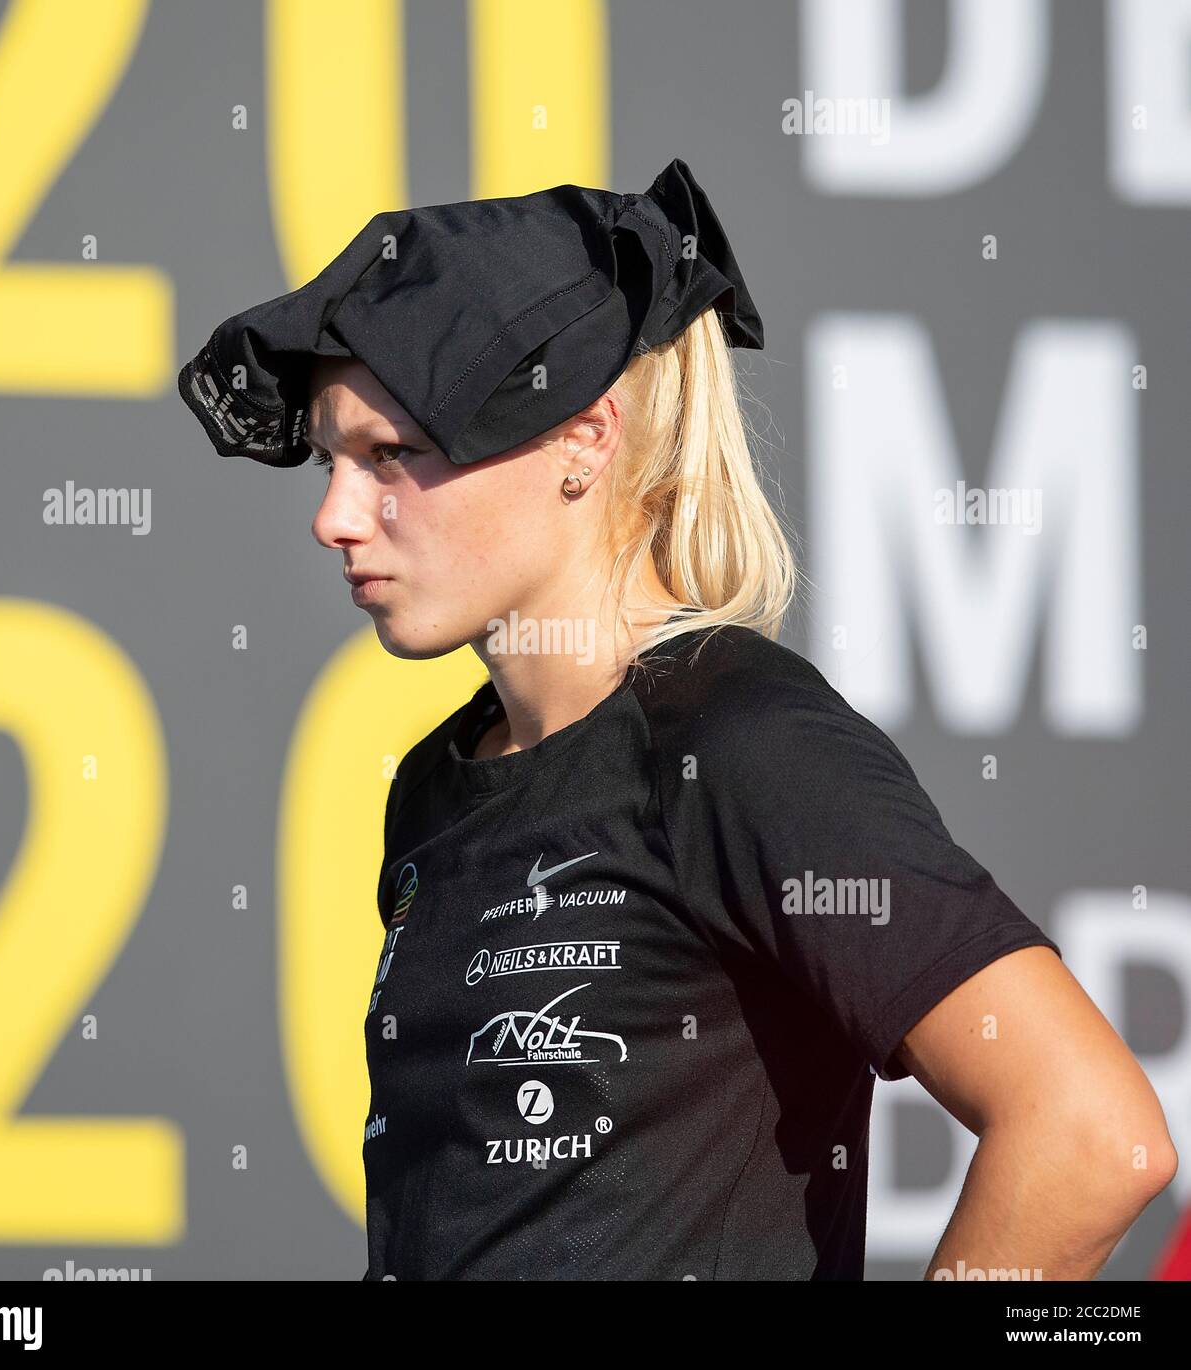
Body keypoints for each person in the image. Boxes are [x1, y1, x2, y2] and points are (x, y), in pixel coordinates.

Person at [178, 159, 1177, 1280]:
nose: (333, 516)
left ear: (582, 440)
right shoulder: (434, 785)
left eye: (392, 455)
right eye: (329, 459)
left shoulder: (741, 739)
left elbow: (1093, 1132)